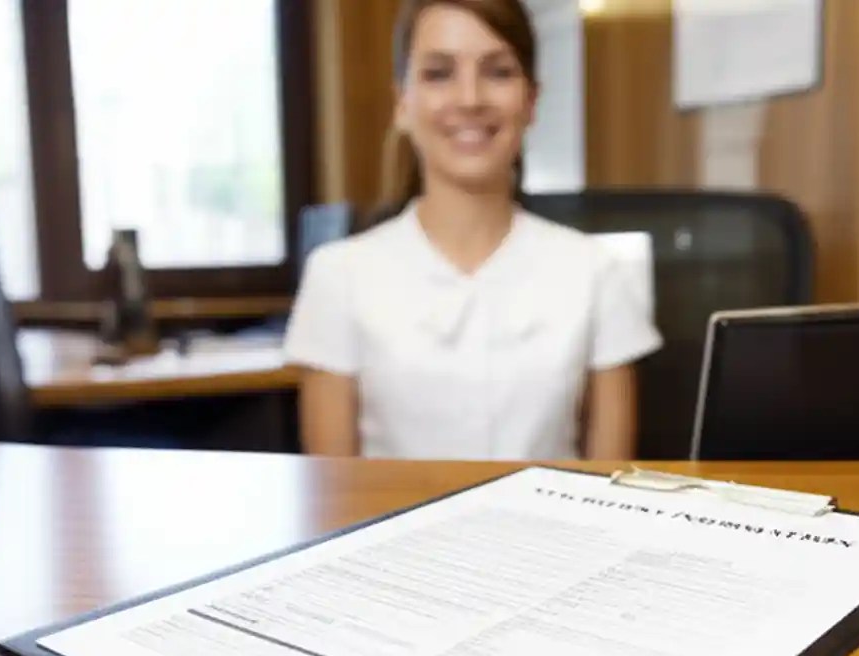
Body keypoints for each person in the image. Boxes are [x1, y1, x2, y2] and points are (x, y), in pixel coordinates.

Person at [283, 0, 661, 461]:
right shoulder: (339, 274)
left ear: (532, 100)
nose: (469, 98)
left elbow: (609, 486)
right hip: (396, 532)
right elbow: (337, 494)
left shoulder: (594, 272)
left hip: (546, 533)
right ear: (402, 103)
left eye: (498, 72)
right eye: (439, 73)